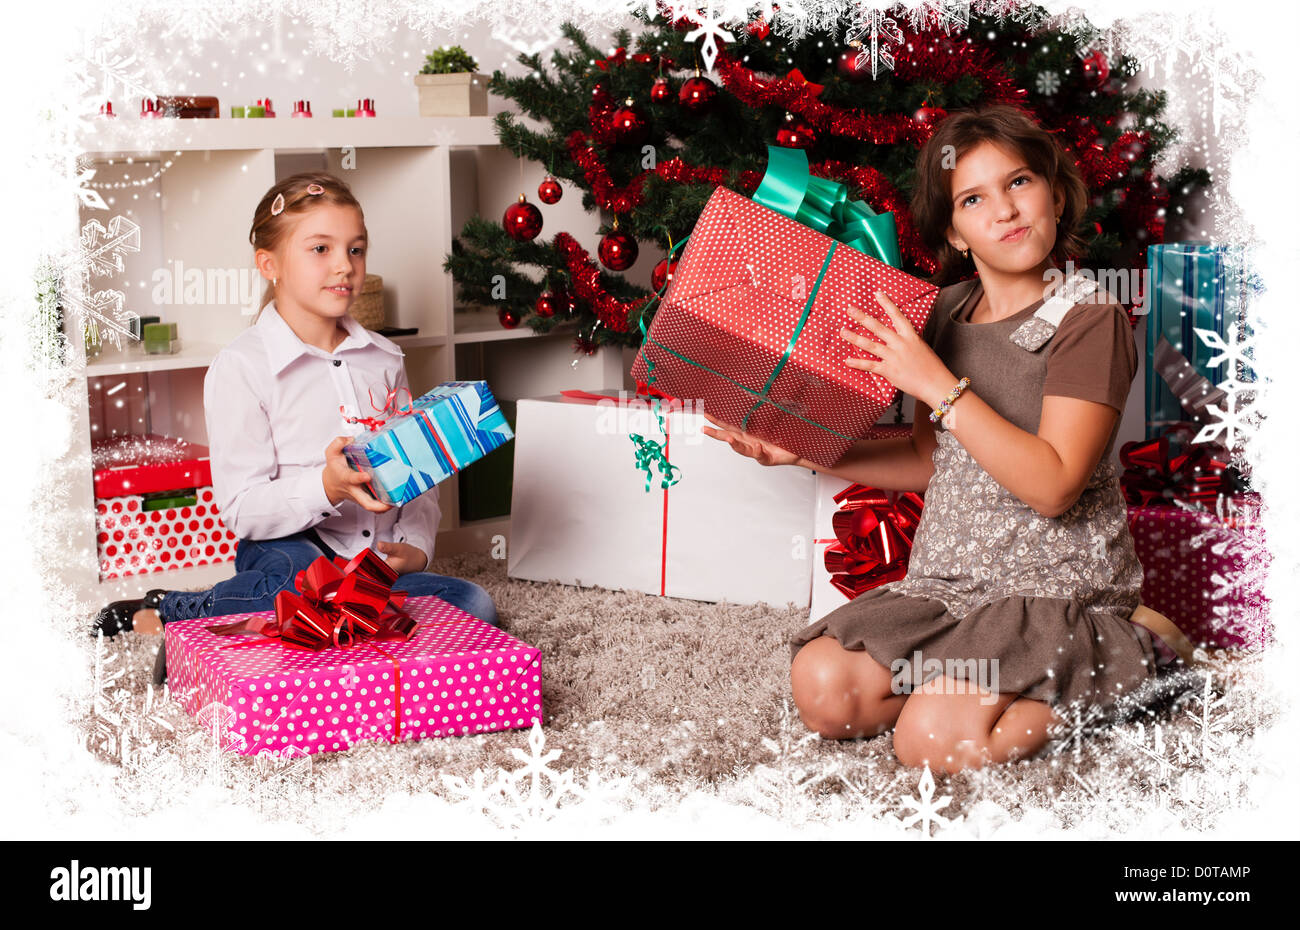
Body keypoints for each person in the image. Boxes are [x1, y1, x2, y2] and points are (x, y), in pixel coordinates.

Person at [703, 105, 1173, 774]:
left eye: (1020, 183)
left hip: (1052, 589)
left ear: (1057, 194)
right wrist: (810, 450)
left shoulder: (1089, 316)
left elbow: (1054, 484)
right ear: (953, 231)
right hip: (951, 584)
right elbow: (931, 459)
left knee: (929, 744)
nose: (1005, 211)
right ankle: (973, 680)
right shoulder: (947, 311)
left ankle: (1131, 664)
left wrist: (938, 384)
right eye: (974, 198)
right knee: (825, 692)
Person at [92, 172, 499, 660]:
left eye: (356, 249)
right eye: (320, 249)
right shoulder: (242, 366)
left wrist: (416, 547)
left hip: (373, 562)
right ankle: (175, 608)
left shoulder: (385, 358)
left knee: (473, 605)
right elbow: (243, 509)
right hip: (289, 546)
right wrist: (325, 487)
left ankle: (333, 625)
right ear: (270, 264)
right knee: (291, 591)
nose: (344, 266)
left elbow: (420, 470)